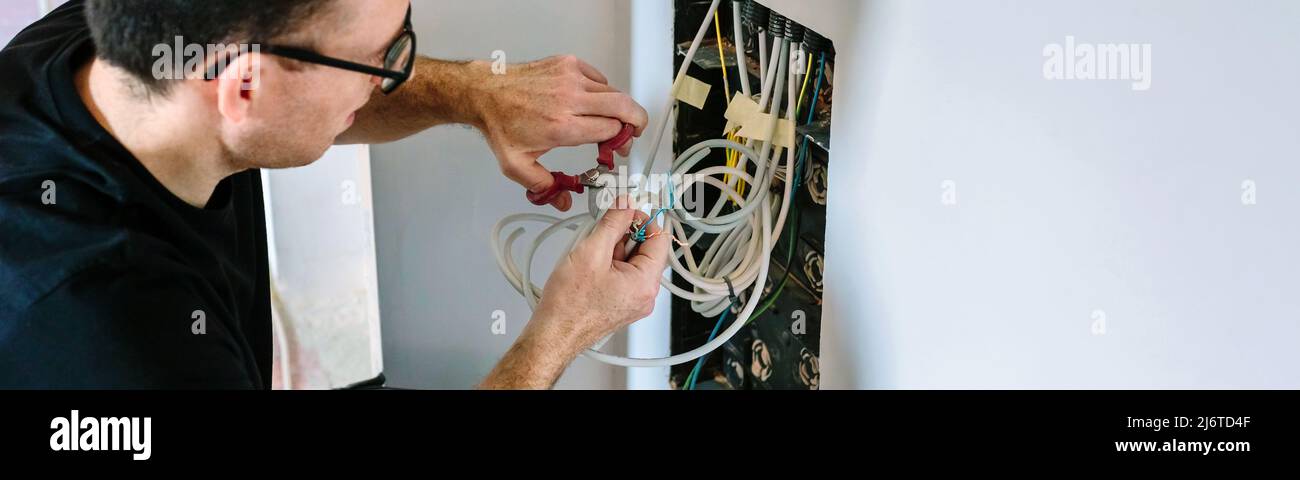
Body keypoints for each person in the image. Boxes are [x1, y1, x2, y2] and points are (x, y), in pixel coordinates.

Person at [0, 0, 670, 389]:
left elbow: (299, 103)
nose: (391, 79)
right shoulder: (114, 343)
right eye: (384, 57)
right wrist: (563, 333)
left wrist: (478, 93)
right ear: (244, 87)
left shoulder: (132, 44)